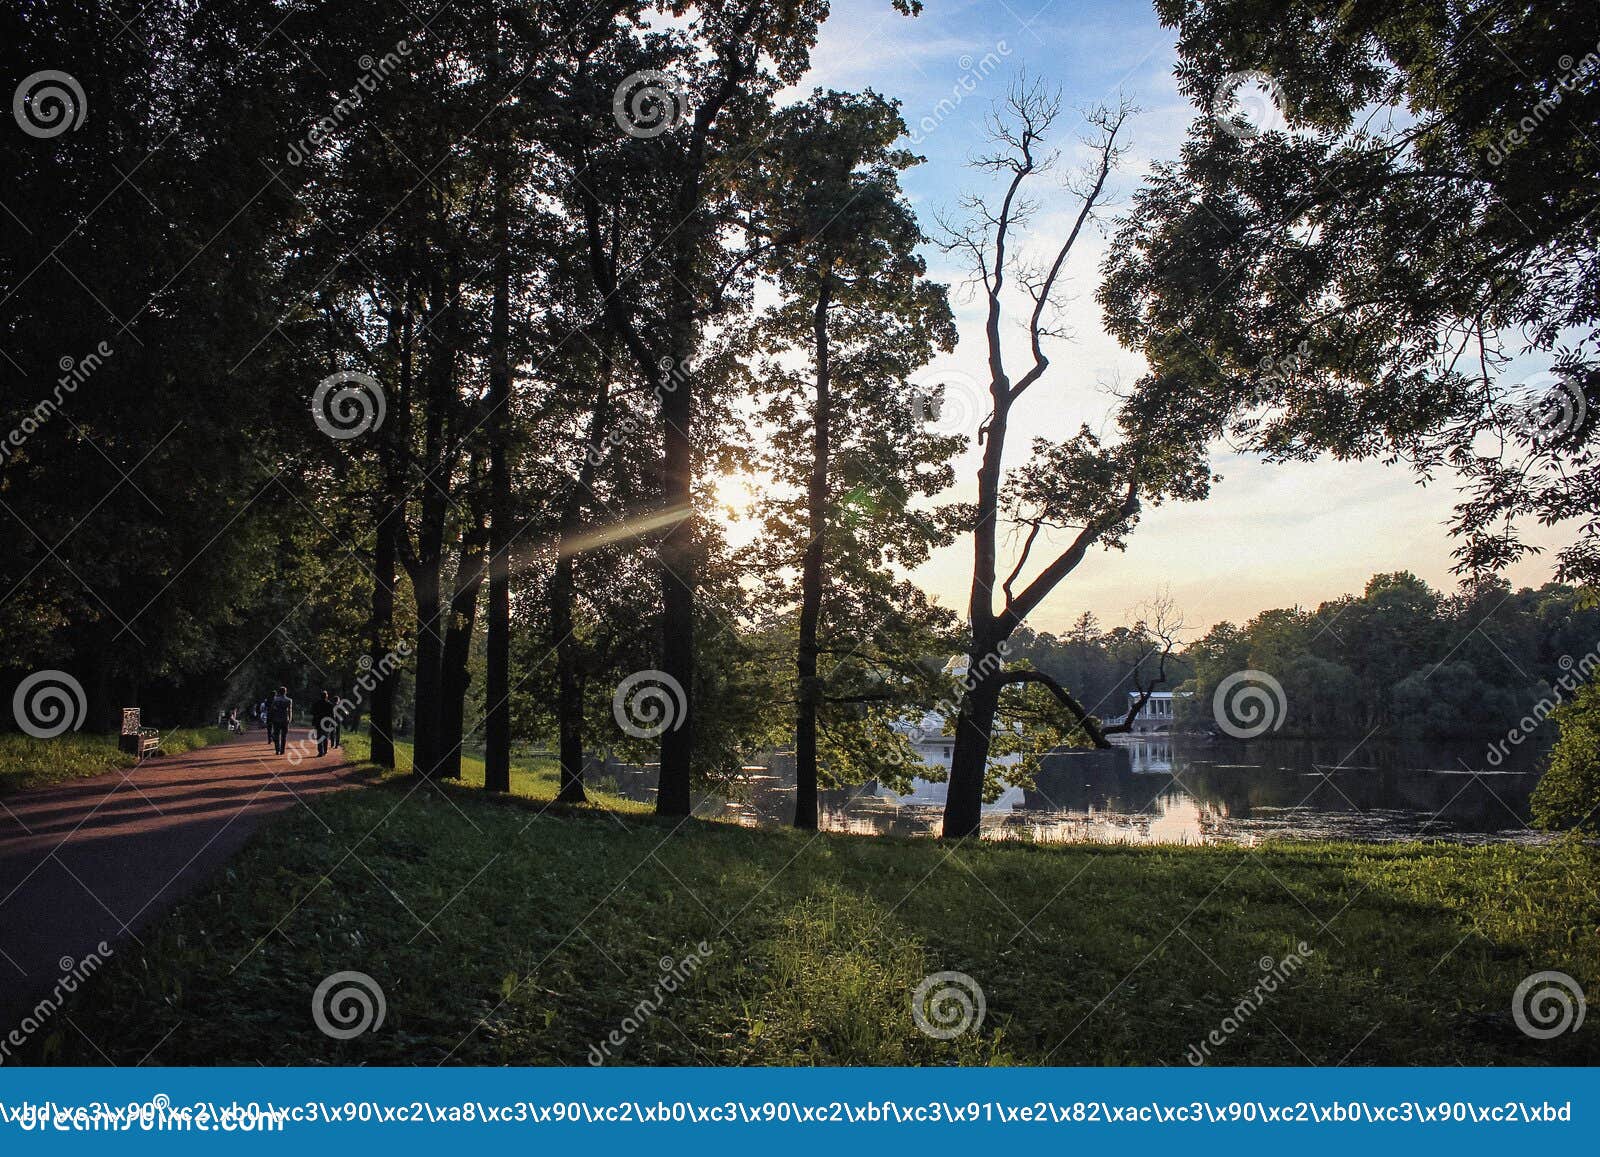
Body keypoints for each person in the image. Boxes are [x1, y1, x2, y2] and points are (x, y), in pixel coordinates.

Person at [267, 686, 293, 756]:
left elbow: (272, 709)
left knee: (276, 735)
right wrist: (290, 719)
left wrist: (271, 718)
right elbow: (290, 710)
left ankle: (277, 750)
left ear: (279, 692)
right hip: (285, 719)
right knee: (284, 736)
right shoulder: (289, 700)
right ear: (285, 692)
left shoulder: (275, 700)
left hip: (276, 719)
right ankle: (282, 750)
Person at [312, 690, 335, 758]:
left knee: (319, 737)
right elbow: (332, 715)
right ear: (326, 696)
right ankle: (325, 751)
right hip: (327, 723)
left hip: (318, 722)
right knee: (325, 736)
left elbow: (312, 712)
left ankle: (320, 752)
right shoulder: (330, 704)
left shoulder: (316, 703)